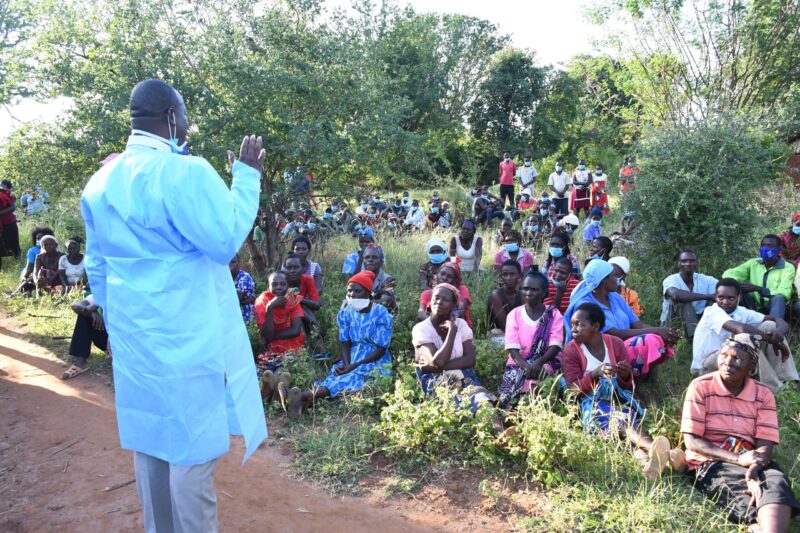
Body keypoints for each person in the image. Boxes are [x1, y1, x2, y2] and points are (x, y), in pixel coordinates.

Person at [81, 80, 267, 531]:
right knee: (191, 449)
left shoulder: (99, 182)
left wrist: (123, 323)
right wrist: (245, 176)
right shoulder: (184, 172)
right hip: (186, 335)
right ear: (169, 118)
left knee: (151, 440)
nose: (186, 126)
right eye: (183, 116)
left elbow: (97, 268)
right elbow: (223, 240)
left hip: (136, 339)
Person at [681, 335, 800, 531]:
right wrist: (738, 460)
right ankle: (757, 524)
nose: (728, 362)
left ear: (751, 367)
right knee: (741, 491)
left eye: (737, 358)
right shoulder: (700, 387)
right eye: (724, 355)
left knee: (776, 482)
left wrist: (753, 470)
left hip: (752, 460)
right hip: (711, 462)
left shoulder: (763, 394)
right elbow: (693, 442)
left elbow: (765, 444)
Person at [563, 302, 685, 480]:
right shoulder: (571, 350)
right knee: (621, 422)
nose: (574, 329)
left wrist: (625, 375)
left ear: (596, 326)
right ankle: (658, 451)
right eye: (573, 324)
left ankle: (648, 465)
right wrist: (595, 374)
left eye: (580, 325)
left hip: (618, 398)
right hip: (591, 402)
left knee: (626, 427)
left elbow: (627, 386)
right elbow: (573, 390)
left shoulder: (615, 344)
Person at [281, 270, 393, 420]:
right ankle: (303, 402)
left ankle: (301, 396)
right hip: (353, 355)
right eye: (349, 290)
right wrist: (347, 363)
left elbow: (381, 349)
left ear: (368, 292)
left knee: (350, 377)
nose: (352, 294)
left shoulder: (381, 313)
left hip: (374, 359)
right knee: (337, 375)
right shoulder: (346, 313)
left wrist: (354, 365)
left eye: (357, 291)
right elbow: (345, 342)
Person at [564, 259, 680, 379]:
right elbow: (613, 333)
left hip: (622, 343)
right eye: (614, 275)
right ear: (604, 280)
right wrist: (655, 331)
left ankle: (643, 377)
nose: (618, 279)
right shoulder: (586, 304)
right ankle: (632, 381)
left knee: (661, 337)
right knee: (649, 340)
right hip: (602, 350)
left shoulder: (615, 298)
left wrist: (662, 331)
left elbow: (638, 325)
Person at [691, 278, 798, 390]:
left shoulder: (740, 311)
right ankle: (774, 388)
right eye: (721, 297)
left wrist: (779, 332)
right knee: (744, 339)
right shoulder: (711, 312)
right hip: (708, 364)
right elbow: (741, 329)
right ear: (715, 297)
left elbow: (775, 319)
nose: (725, 302)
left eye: (731, 298)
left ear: (739, 297)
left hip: (731, 358)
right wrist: (772, 340)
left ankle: (789, 380)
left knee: (769, 326)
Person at [413, 283, 495, 412]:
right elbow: (438, 362)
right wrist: (452, 332)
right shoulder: (421, 328)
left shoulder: (461, 325)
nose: (439, 302)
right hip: (434, 380)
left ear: (453, 305)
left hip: (463, 376)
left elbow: (470, 360)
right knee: (454, 407)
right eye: (436, 297)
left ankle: (500, 431)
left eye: (445, 300)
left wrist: (432, 366)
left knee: (483, 403)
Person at [498, 271, 564, 409]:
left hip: (546, 359)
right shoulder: (514, 314)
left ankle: (533, 410)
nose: (529, 292)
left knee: (538, 383)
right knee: (512, 384)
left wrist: (538, 363)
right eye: (525, 288)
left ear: (544, 292)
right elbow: (512, 348)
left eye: (534, 289)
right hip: (519, 361)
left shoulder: (554, 314)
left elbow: (555, 345)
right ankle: (513, 410)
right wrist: (526, 366)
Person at [722, 234, 796, 320]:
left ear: (778, 249)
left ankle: (773, 327)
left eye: (770, 246)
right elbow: (728, 274)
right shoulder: (753, 263)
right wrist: (738, 285)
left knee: (779, 297)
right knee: (735, 288)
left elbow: (785, 292)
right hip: (754, 305)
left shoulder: (787, 267)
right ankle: (733, 321)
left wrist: (758, 289)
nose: (765, 248)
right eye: (763, 245)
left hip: (775, 307)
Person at [254, 271, 304, 374]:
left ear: (288, 286)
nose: (279, 287)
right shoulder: (262, 302)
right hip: (271, 346)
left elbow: (295, 330)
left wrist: (271, 336)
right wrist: (270, 308)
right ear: (268, 286)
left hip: (291, 343)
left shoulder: (292, 300)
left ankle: (278, 379)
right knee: (266, 365)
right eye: (274, 284)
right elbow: (266, 334)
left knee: (287, 365)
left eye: (282, 284)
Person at [660, 250, 718, 339]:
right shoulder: (670, 279)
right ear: (678, 263)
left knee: (717, 302)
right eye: (684, 261)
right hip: (674, 320)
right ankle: (695, 338)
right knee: (682, 302)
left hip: (698, 317)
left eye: (692, 261)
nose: (688, 264)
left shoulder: (706, 280)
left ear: (697, 263)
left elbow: (722, 288)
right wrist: (709, 296)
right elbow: (676, 295)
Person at [60, 293, 109, 380]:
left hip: (126, 343)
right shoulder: (104, 292)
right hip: (108, 340)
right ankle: (80, 363)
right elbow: (76, 305)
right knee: (84, 315)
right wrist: (91, 311)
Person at [418, 261, 473, 329]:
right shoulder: (427, 293)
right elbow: (421, 313)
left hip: (458, 327)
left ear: (456, 280)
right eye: (442, 274)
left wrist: (446, 325)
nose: (444, 278)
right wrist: (435, 323)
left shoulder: (461, 289)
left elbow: (460, 311)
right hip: (433, 327)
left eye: (450, 276)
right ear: (437, 274)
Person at [283, 254, 322, 336]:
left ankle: (315, 340)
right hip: (284, 314)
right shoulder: (281, 282)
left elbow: (317, 304)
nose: (292, 271)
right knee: (299, 309)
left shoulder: (307, 279)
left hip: (302, 310)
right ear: (285, 269)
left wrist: (299, 299)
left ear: (303, 268)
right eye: (289, 268)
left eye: (296, 267)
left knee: (302, 308)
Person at [487, 260, 523, 344]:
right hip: (498, 335)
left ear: (519, 276)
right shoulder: (495, 296)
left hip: (518, 334)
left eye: (512, 274)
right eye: (505, 274)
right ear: (501, 276)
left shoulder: (522, 295)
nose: (508, 278)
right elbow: (504, 325)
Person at [362, 243, 397, 313]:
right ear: (363, 261)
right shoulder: (358, 278)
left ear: (381, 261)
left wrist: (361, 304)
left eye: (374, 257)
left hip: (380, 315)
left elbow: (386, 300)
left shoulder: (391, 280)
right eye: (367, 257)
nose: (370, 260)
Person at [229, 255, 256, 323]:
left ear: (239, 263)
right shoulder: (226, 278)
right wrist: (245, 301)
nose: (230, 265)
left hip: (247, 318)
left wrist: (240, 302)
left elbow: (236, 300)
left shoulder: (244, 277)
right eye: (228, 262)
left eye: (233, 262)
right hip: (232, 316)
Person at [0, 179, 20, 262]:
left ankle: (18, 262)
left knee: (14, 243)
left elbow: (13, 207)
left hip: (9, 223)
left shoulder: (5, 193)